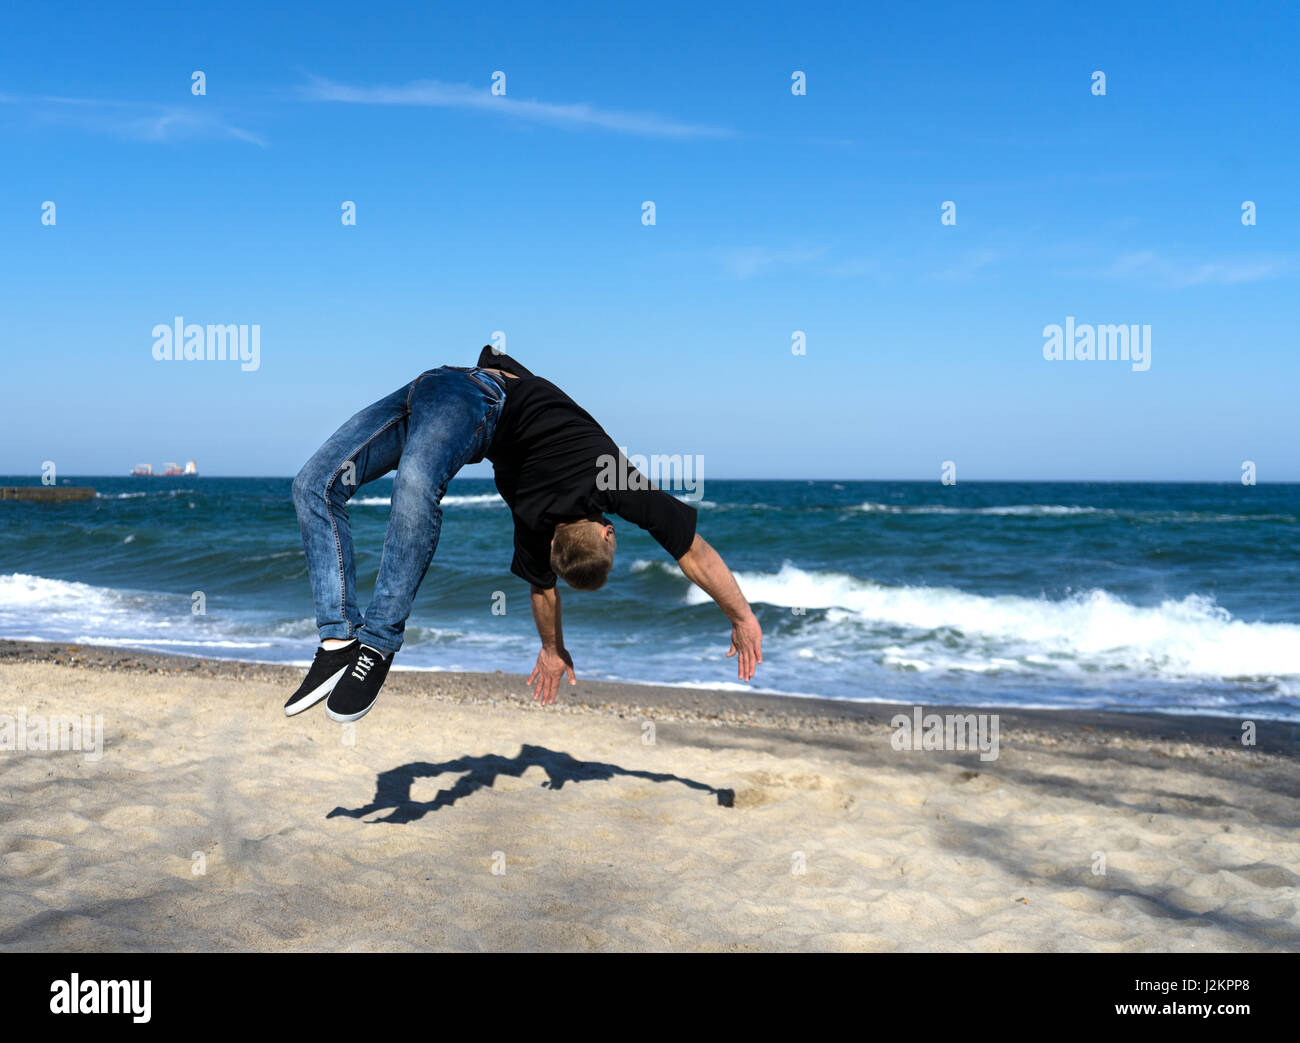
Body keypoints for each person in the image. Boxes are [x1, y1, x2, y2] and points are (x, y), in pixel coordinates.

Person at [473, 346, 763, 707]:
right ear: (551, 547)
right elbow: (542, 590)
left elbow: (692, 550)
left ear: (607, 531)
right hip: (477, 416)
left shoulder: (612, 480)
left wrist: (743, 618)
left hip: (505, 385)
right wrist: (551, 650)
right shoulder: (532, 520)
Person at [286, 363, 507, 722]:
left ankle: (378, 643)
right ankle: (338, 641)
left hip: (478, 392)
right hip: (426, 383)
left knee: (414, 484)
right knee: (312, 484)